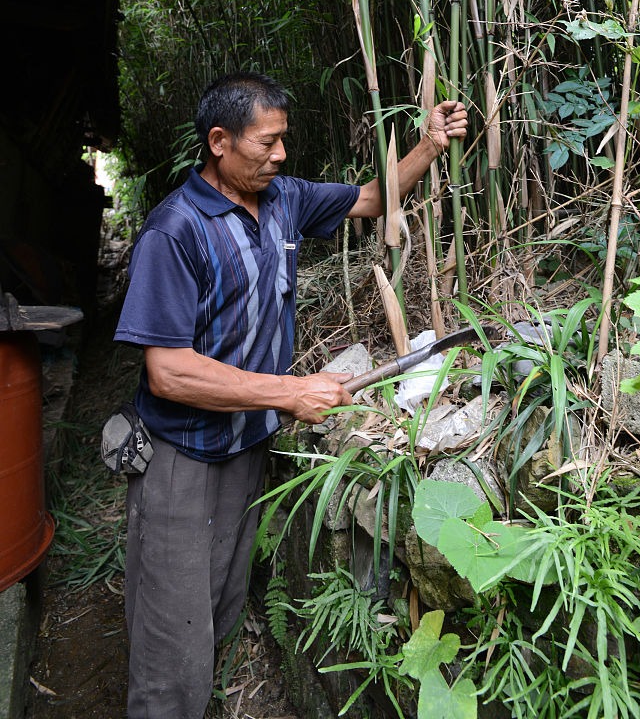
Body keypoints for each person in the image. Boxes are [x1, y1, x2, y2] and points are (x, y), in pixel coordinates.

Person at [113, 71, 468, 719]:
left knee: (219, 603)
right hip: (180, 458)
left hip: (248, 450)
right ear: (219, 142)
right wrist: (287, 391)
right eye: (266, 143)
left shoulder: (282, 200)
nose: (280, 155)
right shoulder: (175, 230)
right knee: (170, 641)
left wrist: (428, 146)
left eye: (283, 142)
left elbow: (368, 198)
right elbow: (167, 371)